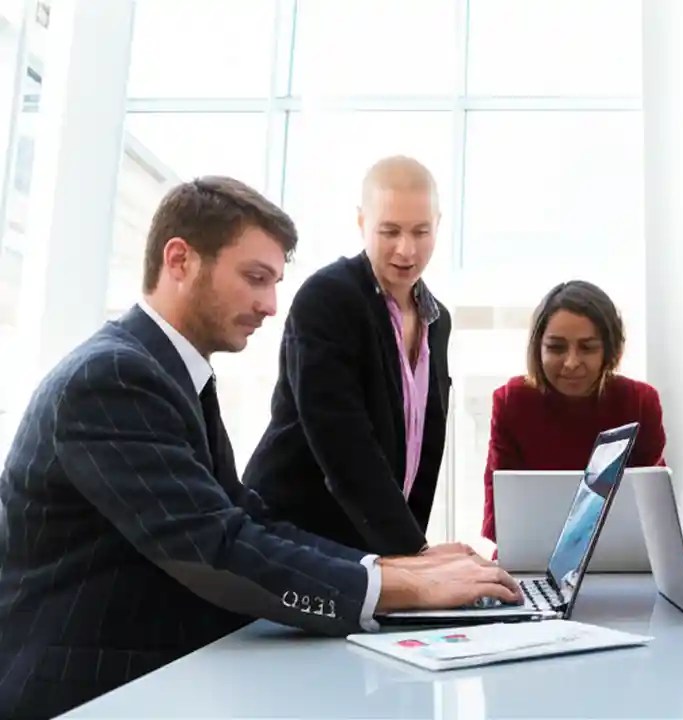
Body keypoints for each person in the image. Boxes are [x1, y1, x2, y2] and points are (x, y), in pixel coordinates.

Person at [0, 177, 517, 718]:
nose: (270, 306)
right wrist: (397, 586)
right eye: (255, 279)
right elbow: (213, 546)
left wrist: (401, 568)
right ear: (180, 260)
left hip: (156, 669)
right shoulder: (113, 377)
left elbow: (244, 513)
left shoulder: (170, 374)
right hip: (83, 689)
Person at [244, 156, 451, 556]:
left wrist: (414, 553)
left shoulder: (436, 319)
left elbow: (424, 450)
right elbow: (344, 447)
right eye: (389, 231)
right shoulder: (328, 299)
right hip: (292, 539)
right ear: (361, 223)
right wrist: (415, 556)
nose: (406, 250)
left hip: (370, 550)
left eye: (421, 231)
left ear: (438, 224)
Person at [481, 280, 665, 545]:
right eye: (556, 348)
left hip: (618, 554)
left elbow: (652, 512)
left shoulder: (639, 402)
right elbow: (500, 513)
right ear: (538, 348)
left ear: (608, 351)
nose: (571, 363)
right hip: (530, 554)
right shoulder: (512, 401)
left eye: (588, 348)